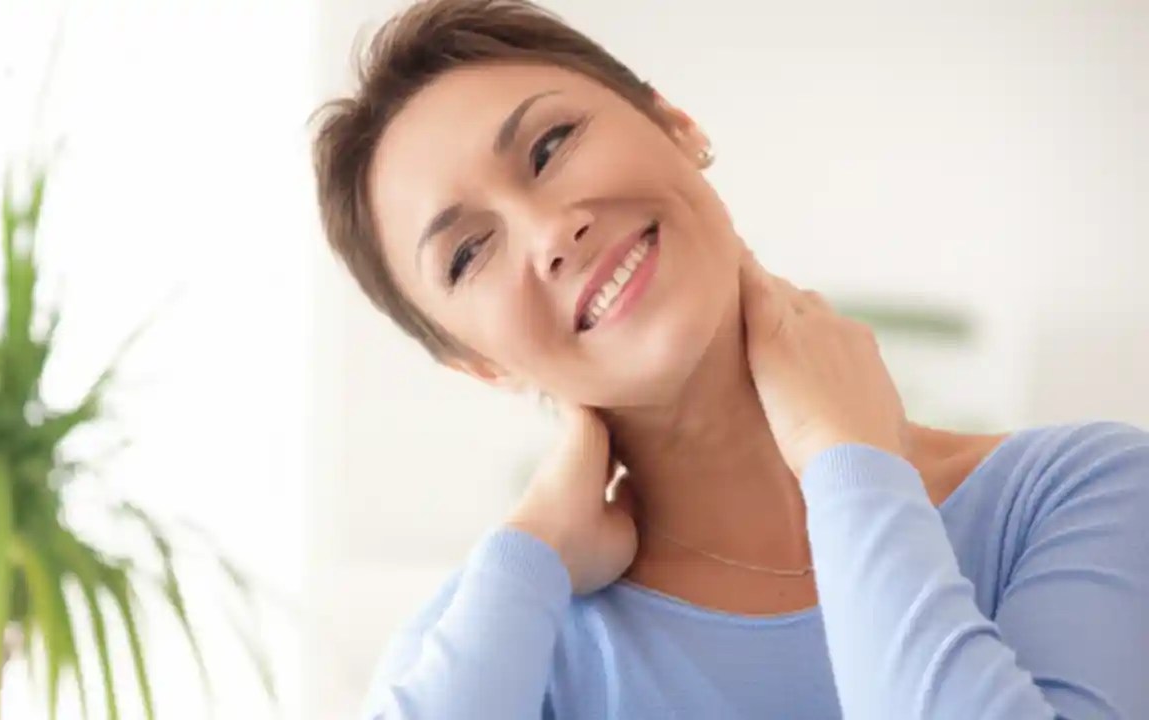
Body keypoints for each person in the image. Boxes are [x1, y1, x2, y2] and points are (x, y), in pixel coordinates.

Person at [310, 1, 1149, 717]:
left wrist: (845, 463)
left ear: (678, 125)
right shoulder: (499, 637)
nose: (548, 233)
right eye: (466, 255)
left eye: (549, 145)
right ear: (480, 365)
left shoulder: (1077, 497)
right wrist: (527, 551)